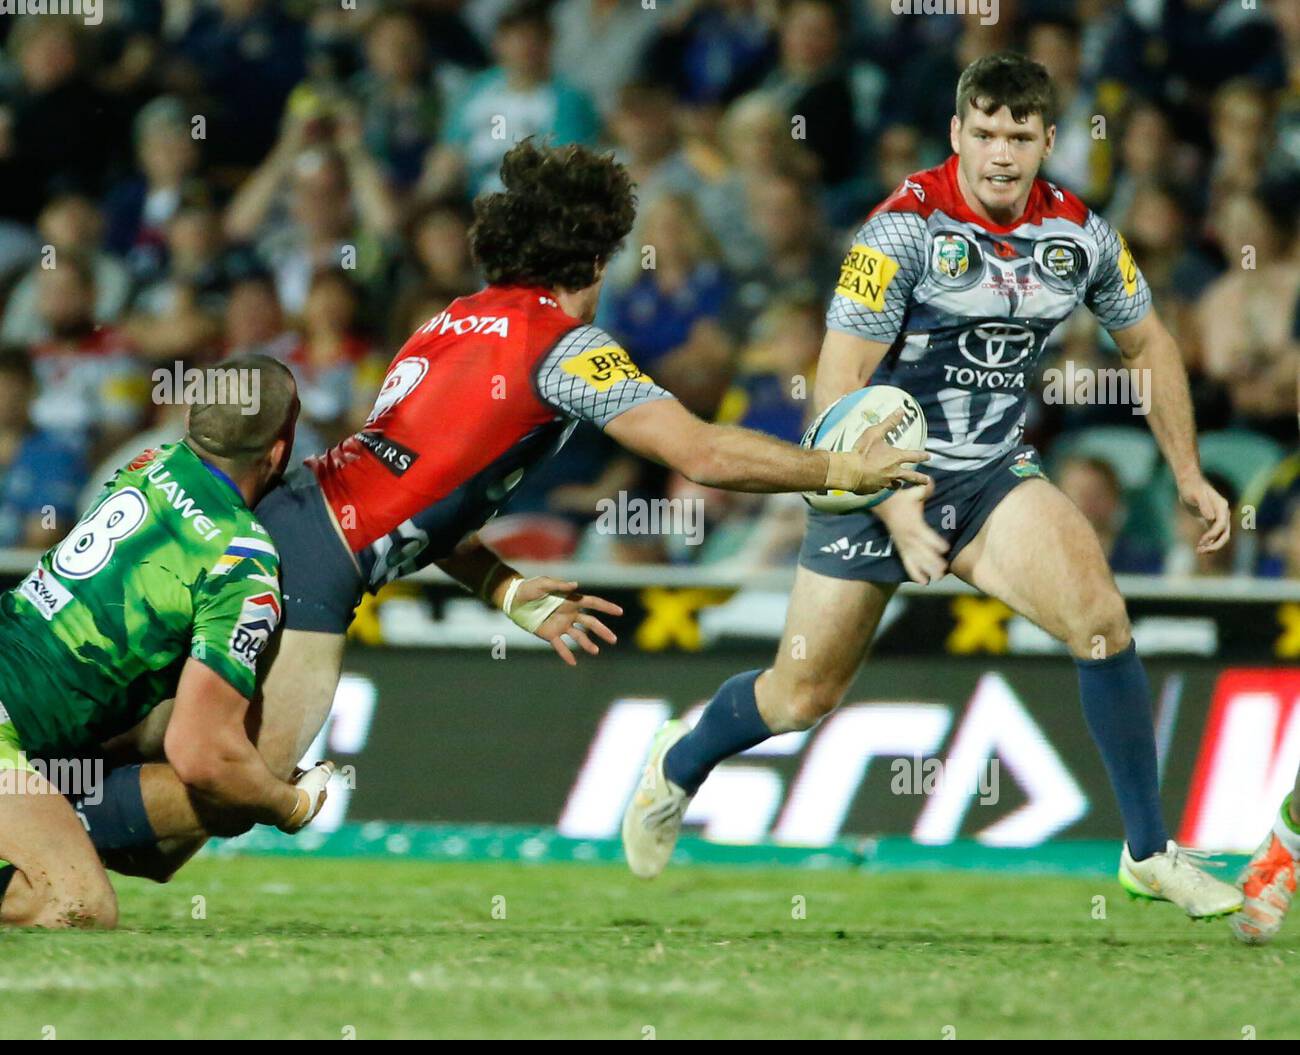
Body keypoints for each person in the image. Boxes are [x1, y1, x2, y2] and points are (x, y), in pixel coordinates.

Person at [78, 139, 927, 883]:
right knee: (240, 786)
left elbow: (416, 496)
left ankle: (47, 815)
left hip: (288, 524)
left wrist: (509, 592)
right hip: (314, 567)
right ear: (593, 256)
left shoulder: (446, 322)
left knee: (164, 772)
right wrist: (841, 467)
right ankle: (49, 822)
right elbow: (699, 453)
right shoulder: (566, 347)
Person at [621, 52, 1242, 922]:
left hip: (990, 475)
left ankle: (1148, 852)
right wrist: (899, 509)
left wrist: (1186, 471)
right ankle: (678, 760)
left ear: (1047, 142)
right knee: (800, 697)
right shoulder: (899, 231)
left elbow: (1149, 344)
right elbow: (837, 397)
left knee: (1100, 620)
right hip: (868, 473)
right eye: (984, 134)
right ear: (956, 134)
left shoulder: (1080, 234)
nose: (1000, 154)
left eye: (1019, 137)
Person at [0, 355, 332, 929]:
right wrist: (292, 804)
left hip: (25, 713)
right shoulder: (240, 559)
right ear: (279, 451)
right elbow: (202, 755)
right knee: (74, 904)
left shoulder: (151, 462)